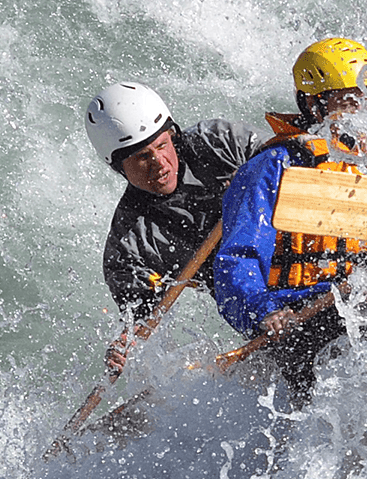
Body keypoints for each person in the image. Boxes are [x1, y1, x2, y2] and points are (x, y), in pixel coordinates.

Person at [211, 37, 367, 410]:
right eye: (349, 99)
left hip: (366, 303)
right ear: (313, 103)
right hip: (304, 321)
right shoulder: (271, 168)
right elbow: (238, 259)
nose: (362, 108)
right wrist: (264, 312)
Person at [84, 82, 267, 370]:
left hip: (307, 254)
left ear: (173, 135)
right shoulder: (130, 245)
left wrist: (252, 182)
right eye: (142, 157)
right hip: (258, 310)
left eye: (162, 146)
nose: (160, 163)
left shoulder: (220, 143)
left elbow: (292, 157)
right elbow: (141, 324)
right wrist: (126, 344)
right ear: (118, 167)